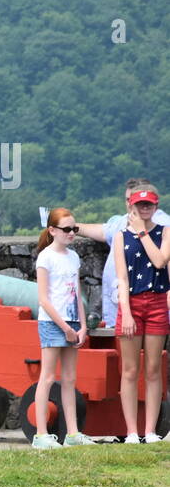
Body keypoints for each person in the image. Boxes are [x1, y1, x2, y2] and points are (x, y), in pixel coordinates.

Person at [32, 209, 95, 449]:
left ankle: (73, 433)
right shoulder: (46, 258)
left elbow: (77, 294)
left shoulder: (73, 257)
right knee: (48, 377)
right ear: (52, 231)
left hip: (73, 322)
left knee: (69, 378)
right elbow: (43, 299)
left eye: (74, 229)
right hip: (52, 322)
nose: (72, 233)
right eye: (67, 229)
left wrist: (82, 326)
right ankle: (40, 434)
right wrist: (66, 328)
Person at [113, 187, 170, 443]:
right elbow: (122, 279)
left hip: (157, 301)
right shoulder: (119, 237)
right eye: (140, 205)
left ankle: (150, 430)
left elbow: (159, 261)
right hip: (132, 302)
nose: (144, 209)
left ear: (156, 206)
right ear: (130, 206)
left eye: (149, 205)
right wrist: (126, 313)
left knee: (154, 368)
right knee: (129, 370)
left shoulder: (164, 232)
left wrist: (143, 232)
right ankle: (132, 431)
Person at [77, 178, 169, 327]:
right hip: (119, 304)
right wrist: (69, 226)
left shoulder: (164, 225)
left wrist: (141, 231)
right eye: (127, 200)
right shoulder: (122, 222)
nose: (128, 204)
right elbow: (101, 231)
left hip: (152, 304)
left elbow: (162, 261)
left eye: (132, 200)